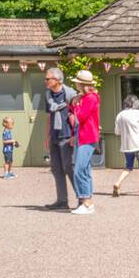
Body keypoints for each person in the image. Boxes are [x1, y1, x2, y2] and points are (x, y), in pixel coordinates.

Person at [41, 67, 78, 208]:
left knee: (69, 167)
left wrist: (75, 134)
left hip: (67, 135)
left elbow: (77, 115)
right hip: (55, 136)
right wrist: (47, 136)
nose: (46, 81)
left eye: (48, 78)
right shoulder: (48, 95)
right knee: (56, 169)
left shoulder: (70, 94)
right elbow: (49, 116)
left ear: (57, 80)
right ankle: (62, 201)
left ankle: (82, 199)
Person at [70, 69, 100, 215]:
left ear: (81, 84)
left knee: (79, 170)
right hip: (83, 136)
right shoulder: (86, 97)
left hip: (87, 136)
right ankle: (88, 202)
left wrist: (76, 104)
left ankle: (86, 202)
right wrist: (76, 102)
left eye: (77, 83)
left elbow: (81, 116)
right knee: (85, 170)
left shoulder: (90, 98)